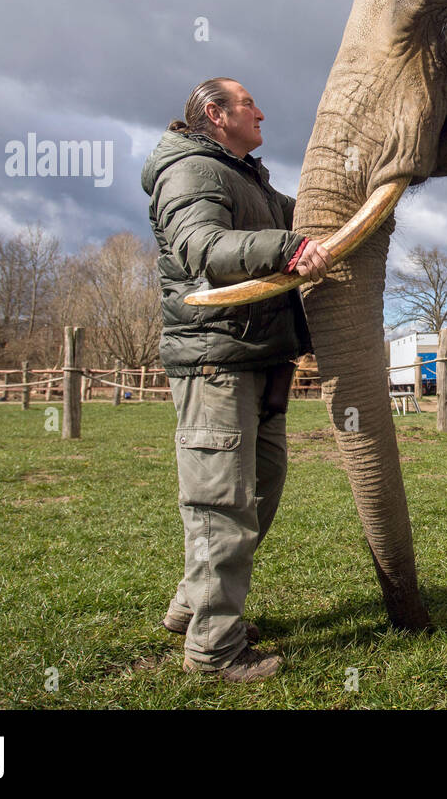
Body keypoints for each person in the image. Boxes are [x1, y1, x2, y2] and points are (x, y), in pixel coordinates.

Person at [141, 77, 333, 682]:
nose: (263, 113)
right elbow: (202, 245)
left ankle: (192, 606)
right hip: (215, 361)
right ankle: (215, 648)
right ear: (215, 113)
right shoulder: (192, 170)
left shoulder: (248, 176)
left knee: (262, 484)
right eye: (250, 104)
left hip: (259, 360)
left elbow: (296, 221)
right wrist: (289, 246)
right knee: (221, 502)